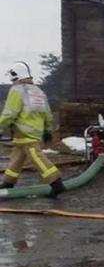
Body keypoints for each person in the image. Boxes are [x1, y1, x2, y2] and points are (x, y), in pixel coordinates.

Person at [0, 63, 65, 197]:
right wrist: (47, 130)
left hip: (24, 133)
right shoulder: (38, 91)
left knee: (37, 158)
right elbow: (47, 113)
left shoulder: (16, 90)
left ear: (16, 75)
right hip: (34, 133)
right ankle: (8, 182)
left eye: (12, 77)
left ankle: (56, 182)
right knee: (17, 157)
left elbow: (9, 114)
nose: (12, 81)